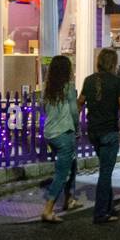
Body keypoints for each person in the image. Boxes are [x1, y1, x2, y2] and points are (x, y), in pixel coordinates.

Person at [79, 48, 120, 224]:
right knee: (105, 172)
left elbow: (79, 103)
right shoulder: (117, 82)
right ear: (114, 63)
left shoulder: (89, 80)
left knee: (105, 169)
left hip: (93, 131)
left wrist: (76, 124)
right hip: (109, 131)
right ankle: (100, 212)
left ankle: (110, 206)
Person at [40, 55, 79, 223]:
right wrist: (77, 128)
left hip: (50, 132)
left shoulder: (47, 88)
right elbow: (74, 111)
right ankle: (48, 210)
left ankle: (69, 199)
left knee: (72, 164)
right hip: (64, 132)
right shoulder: (68, 87)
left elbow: (44, 108)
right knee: (62, 173)